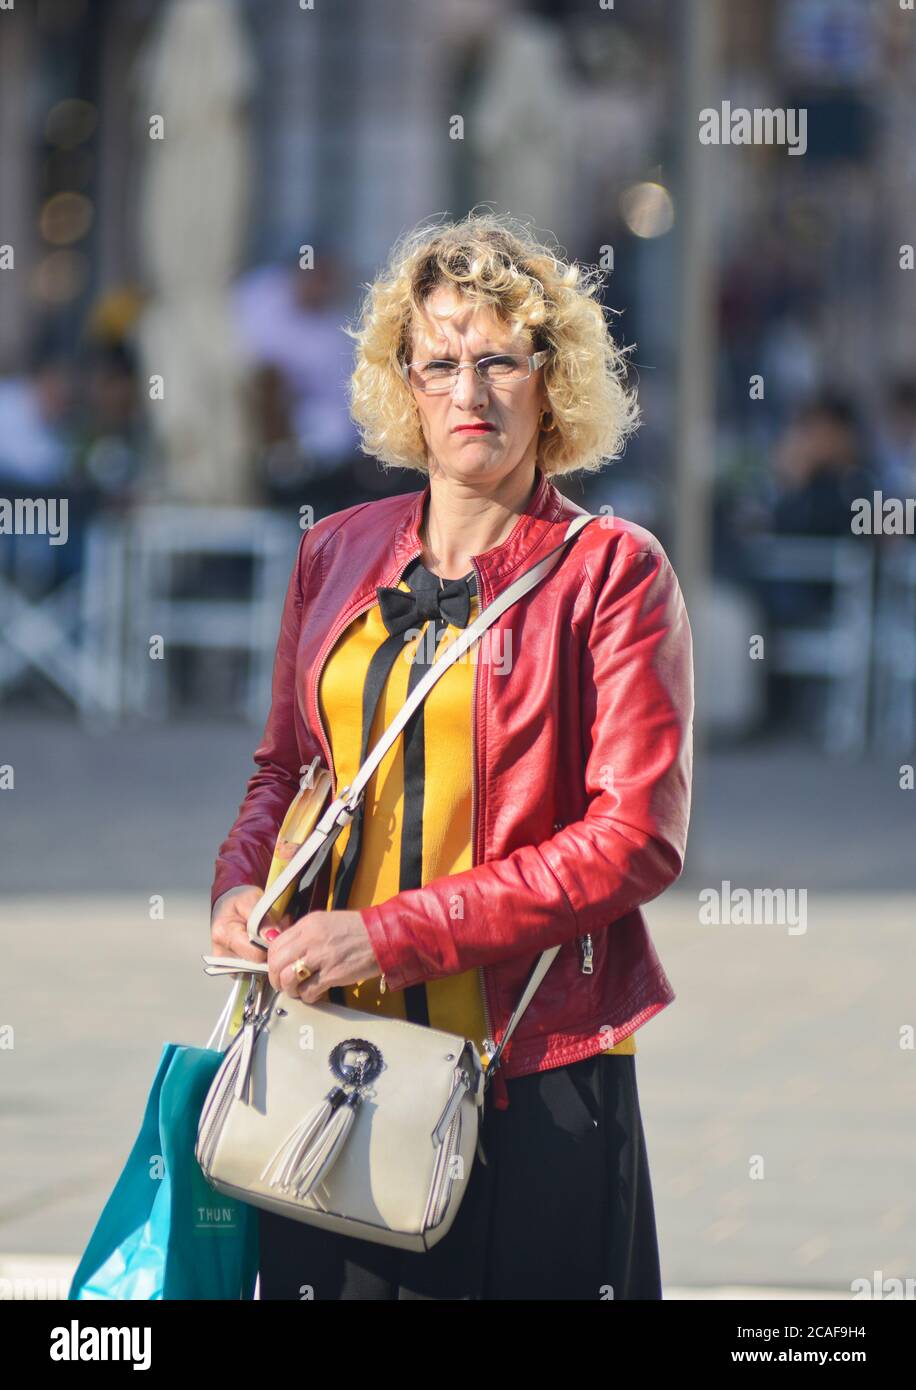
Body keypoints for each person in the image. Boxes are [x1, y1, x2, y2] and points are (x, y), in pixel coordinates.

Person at [209, 211, 694, 1300]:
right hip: (331, 1066)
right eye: (440, 362)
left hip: (535, 1071)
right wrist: (242, 882)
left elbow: (632, 842)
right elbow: (285, 768)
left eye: (498, 361)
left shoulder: (614, 572)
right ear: (404, 382)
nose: (469, 392)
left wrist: (386, 931)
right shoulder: (333, 552)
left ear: (549, 379)